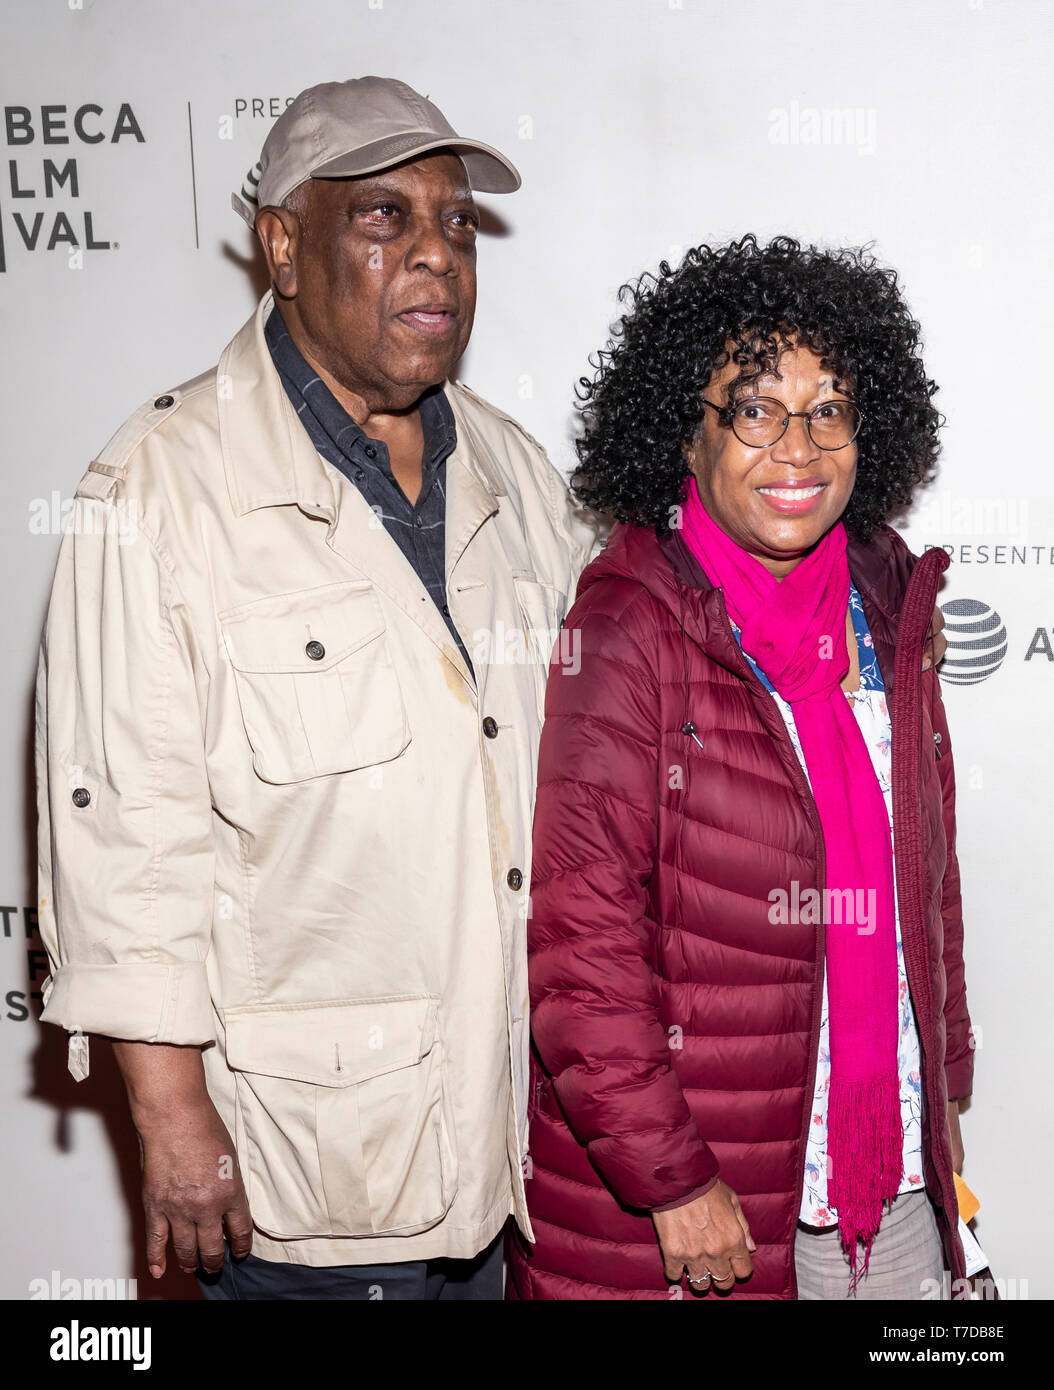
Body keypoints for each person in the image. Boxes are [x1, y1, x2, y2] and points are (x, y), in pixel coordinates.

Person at [34, 76, 595, 1301]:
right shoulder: (160, 486)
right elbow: (125, 833)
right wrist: (172, 1124)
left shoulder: (507, 461)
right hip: (302, 1187)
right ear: (283, 247)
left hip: (501, 1165)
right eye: (384, 219)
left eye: (455, 224)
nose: (436, 257)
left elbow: (625, 666)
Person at [508, 235, 971, 1301]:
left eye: (829, 409)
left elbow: (926, 889)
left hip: (887, 1174)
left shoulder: (888, 615)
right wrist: (672, 1181)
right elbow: (583, 945)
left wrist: (939, 1089)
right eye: (757, 410)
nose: (797, 449)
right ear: (689, 426)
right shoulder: (630, 625)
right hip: (703, 1197)